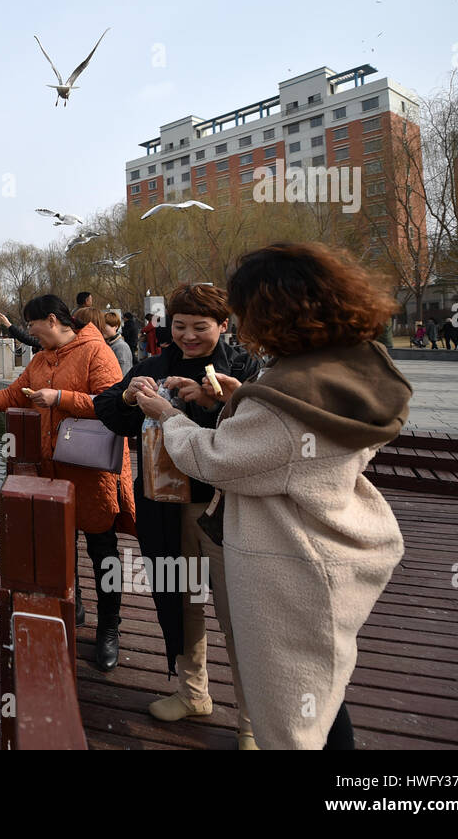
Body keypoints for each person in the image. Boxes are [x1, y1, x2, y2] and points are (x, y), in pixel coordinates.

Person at [130, 242, 410, 750]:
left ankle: (252, 732)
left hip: (288, 559)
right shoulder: (347, 368)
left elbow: (217, 459)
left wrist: (166, 415)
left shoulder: (287, 396)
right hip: (330, 545)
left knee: (293, 714)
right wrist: (238, 399)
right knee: (321, 692)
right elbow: (290, 452)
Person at [93, 283, 262, 748]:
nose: (188, 336)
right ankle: (193, 694)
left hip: (225, 510)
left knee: (239, 616)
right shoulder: (153, 365)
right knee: (180, 603)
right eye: (180, 326)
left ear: (224, 326)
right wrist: (129, 397)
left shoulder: (244, 369)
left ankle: (252, 724)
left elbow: (261, 430)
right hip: (164, 508)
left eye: (200, 327)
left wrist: (222, 399)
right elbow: (106, 407)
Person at [0, 295, 134, 672]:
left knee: (103, 550)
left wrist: (60, 398)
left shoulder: (96, 353)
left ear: (52, 320)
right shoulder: (41, 357)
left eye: (32, 325)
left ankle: (110, 629)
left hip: (93, 472)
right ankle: (77, 606)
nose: (29, 332)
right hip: (54, 469)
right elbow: (16, 393)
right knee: (62, 546)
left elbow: (114, 404)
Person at [101, 311, 133, 376]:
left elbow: (124, 372)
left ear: (115, 327)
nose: (102, 328)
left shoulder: (121, 347)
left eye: (105, 325)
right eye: (101, 326)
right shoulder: (108, 344)